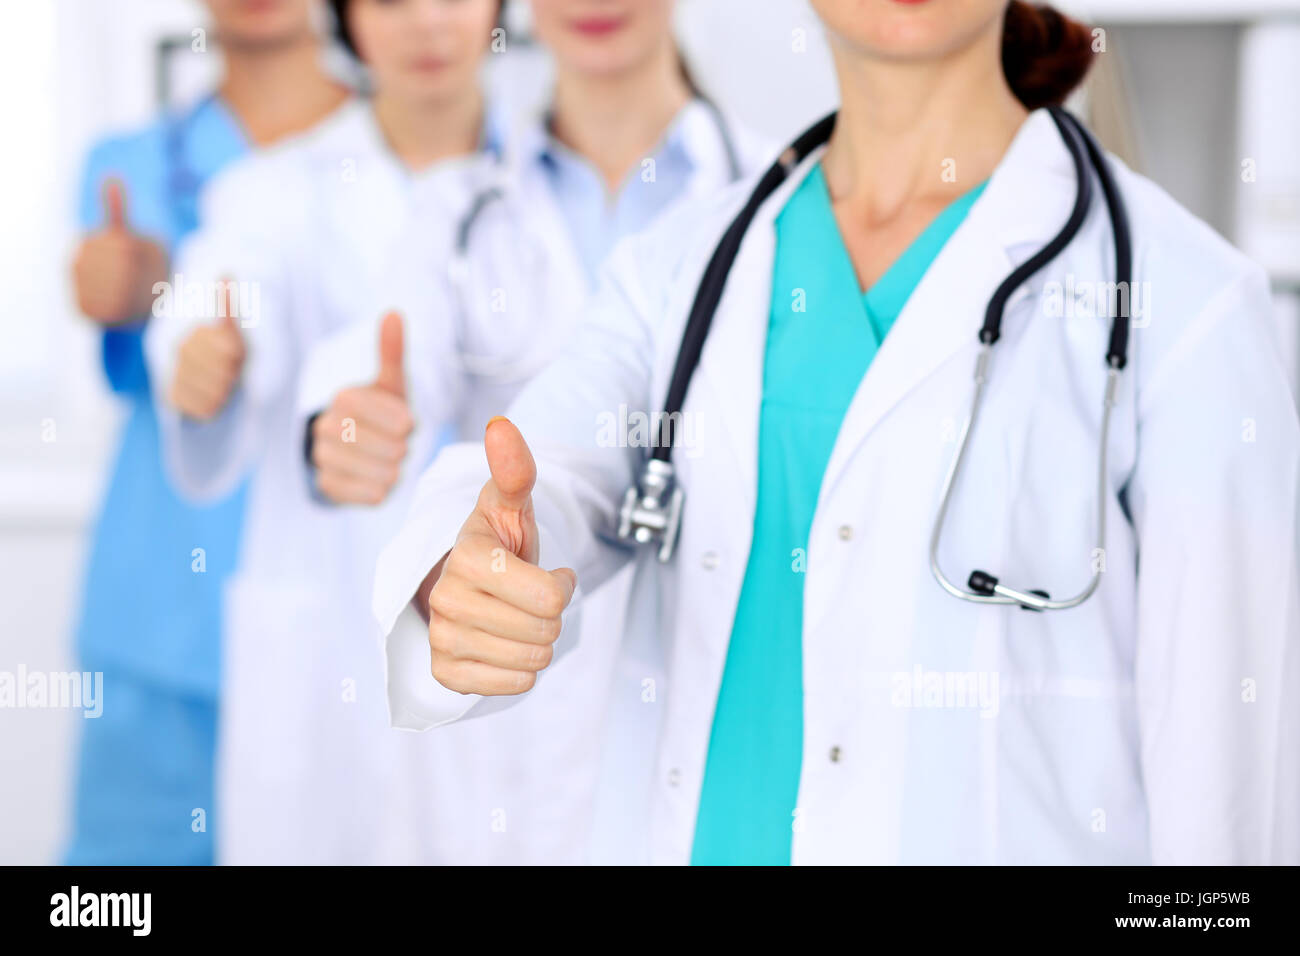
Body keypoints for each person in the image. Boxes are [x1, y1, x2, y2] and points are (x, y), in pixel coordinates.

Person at [372, 0, 1300, 865]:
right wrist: (466, 583)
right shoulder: (679, 272)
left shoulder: (1188, 305)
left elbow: (1223, 791)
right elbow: (537, 474)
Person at [299, 0, 768, 862]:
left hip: (700, 668)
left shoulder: (766, 207)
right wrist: (344, 425)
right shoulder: (460, 205)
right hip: (494, 714)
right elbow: (386, 353)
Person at [144, 0, 503, 865]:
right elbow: (225, 286)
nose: (426, 24)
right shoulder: (272, 190)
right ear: (344, 15)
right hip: (324, 651)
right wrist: (202, 357)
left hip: (497, 665)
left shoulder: (541, 187)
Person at [65, 0, 348, 865]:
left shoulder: (397, 156)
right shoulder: (130, 166)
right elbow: (136, 303)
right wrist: (147, 289)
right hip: (161, 617)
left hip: (335, 620)